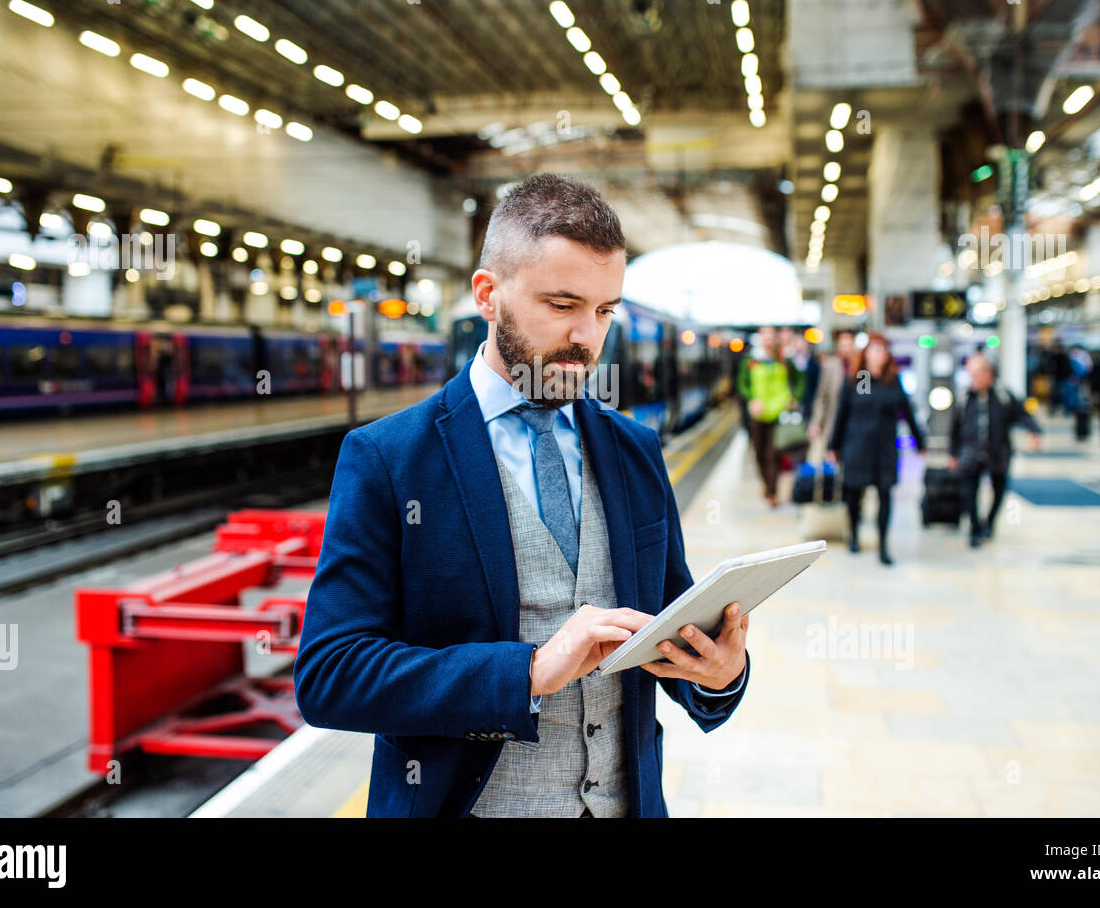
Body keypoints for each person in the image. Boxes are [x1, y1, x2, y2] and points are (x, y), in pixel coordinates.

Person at [293, 174, 749, 818]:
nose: (588, 337)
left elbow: (673, 627)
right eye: (562, 305)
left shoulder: (634, 451)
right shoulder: (390, 458)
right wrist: (528, 672)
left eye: (604, 311)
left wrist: (720, 672)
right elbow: (331, 675)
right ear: (488, 295)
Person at [827, 332, 923, 565]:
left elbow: (907, 411)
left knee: (885, 493)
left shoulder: (892, 379)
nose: (878, 354)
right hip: (859, 445)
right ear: (866, 353)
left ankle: (883, 545)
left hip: (885, 448)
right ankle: (854, 534)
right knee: (854, 492)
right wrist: (834, 445)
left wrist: (920, 440)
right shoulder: (862, 379)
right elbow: (845, 412)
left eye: (882, 350)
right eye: (874, 349)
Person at [949, 352, 1043, 548]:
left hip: (997, 453)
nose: (974, 379)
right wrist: (953, 453)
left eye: (977, 374)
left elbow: (1023, 414)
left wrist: (1034, 431)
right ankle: (975, 529)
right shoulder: (964, 397)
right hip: (970, 452)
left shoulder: (1002, 395)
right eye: (971, 374)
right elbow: (955, 427)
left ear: (989, 374)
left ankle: (988, 524)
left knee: (999, 490)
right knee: (969, 492)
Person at [741, 325, 793, 507]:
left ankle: (772, 491)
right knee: (759, 453)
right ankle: (766, 482)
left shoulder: (784, 359)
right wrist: (751, 400)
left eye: (772, 337)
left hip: (778, 413)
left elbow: (798, 381)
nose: (769, 341)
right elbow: (742, 384)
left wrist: (792, 399)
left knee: (773, 454)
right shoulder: (750, 360)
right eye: (766, 337)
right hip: (757, 414)